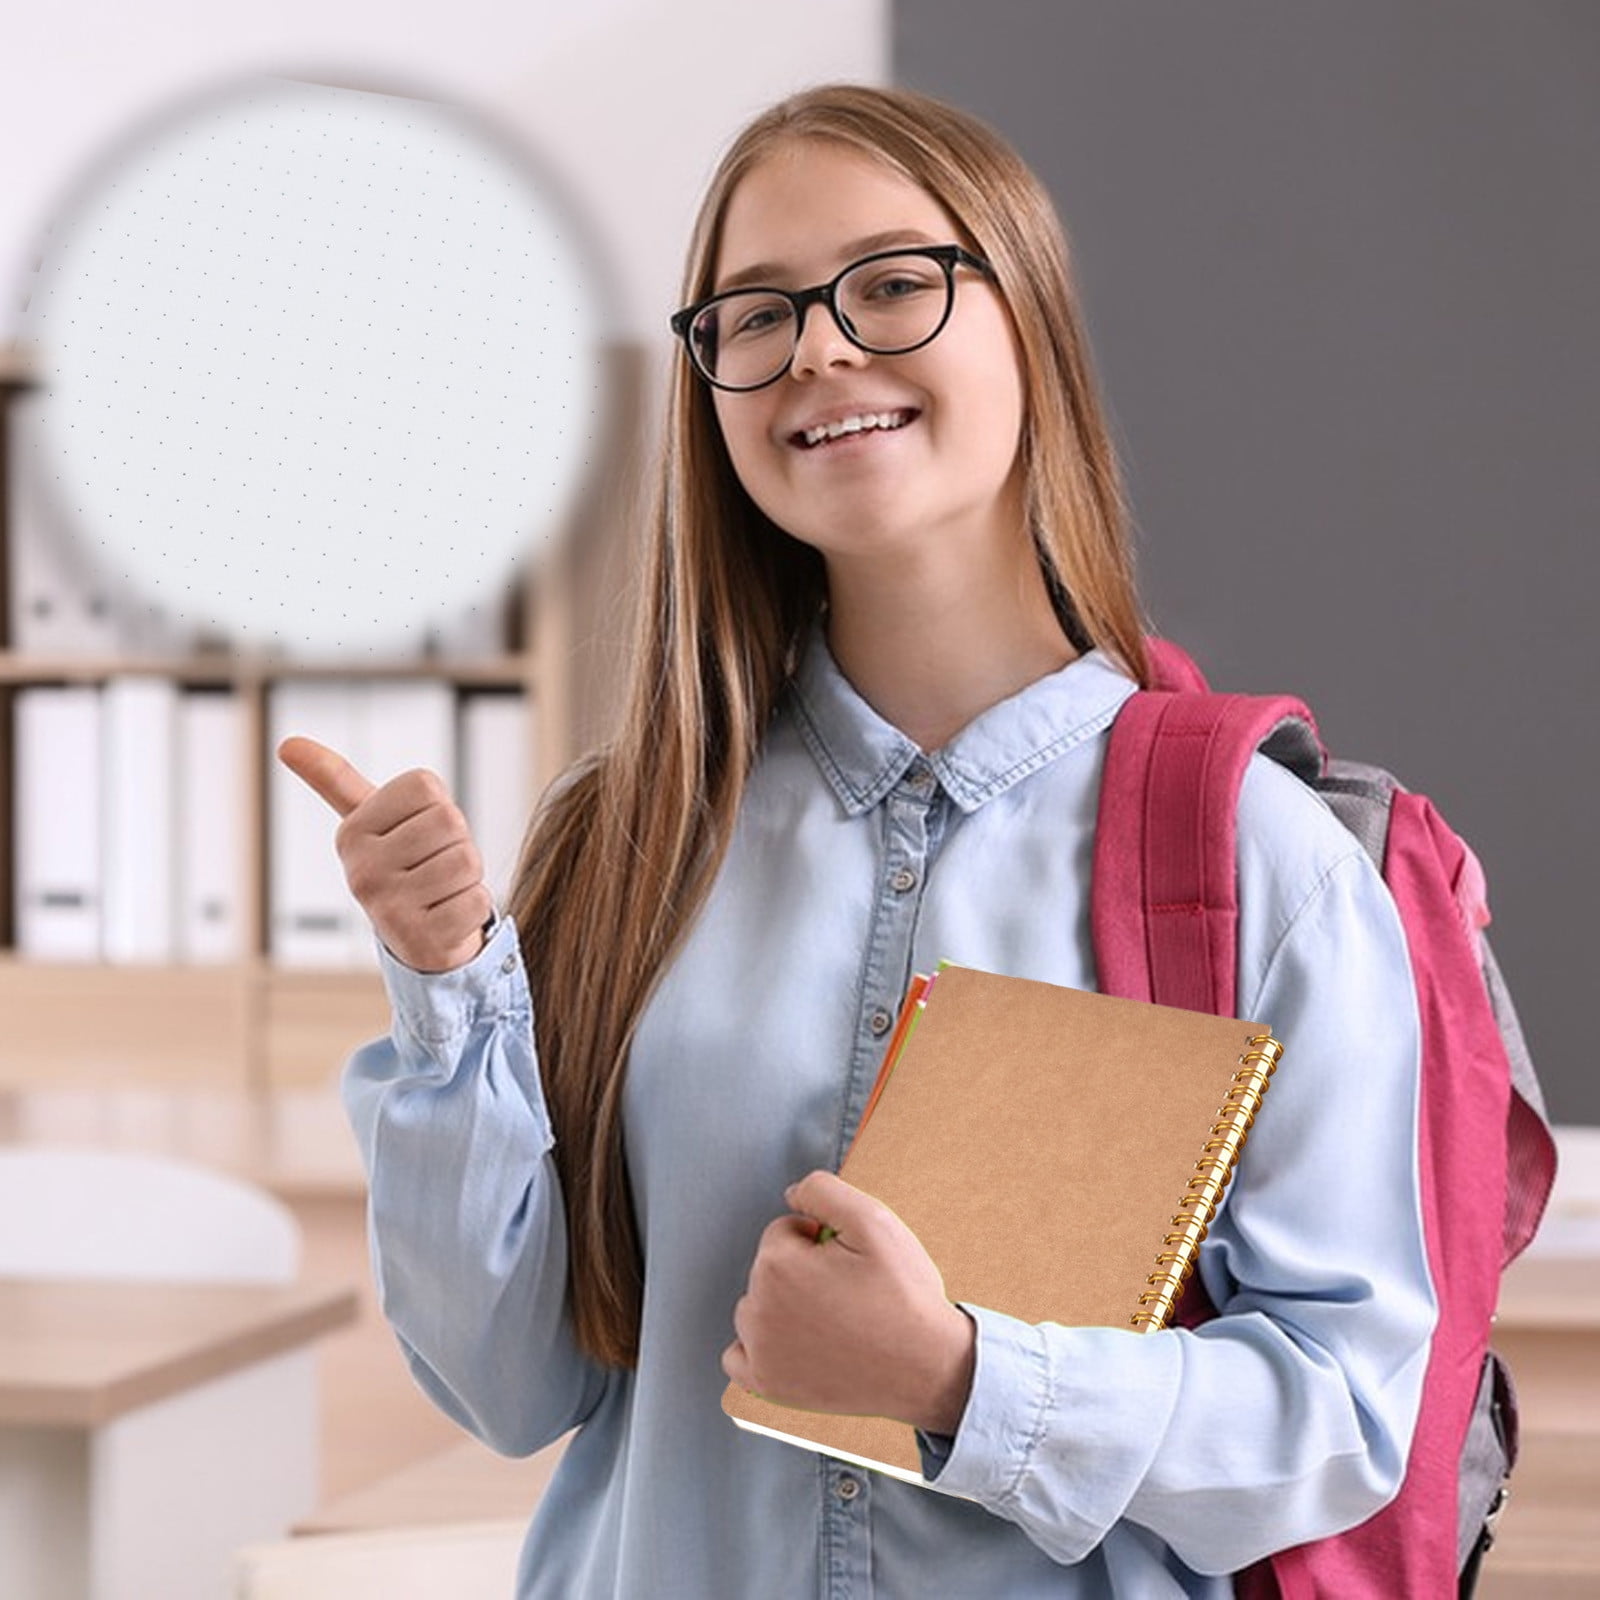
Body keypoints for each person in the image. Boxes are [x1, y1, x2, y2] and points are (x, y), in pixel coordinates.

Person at [280, 84, 1434, 1599]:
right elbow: (510, 1390)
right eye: (754, 315)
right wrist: (444, 991)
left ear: (1026, 319)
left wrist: (964, 1382)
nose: (819, 346)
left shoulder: (1259, 862)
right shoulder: (629, 839)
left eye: (891, 285)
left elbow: (1342, 1423)